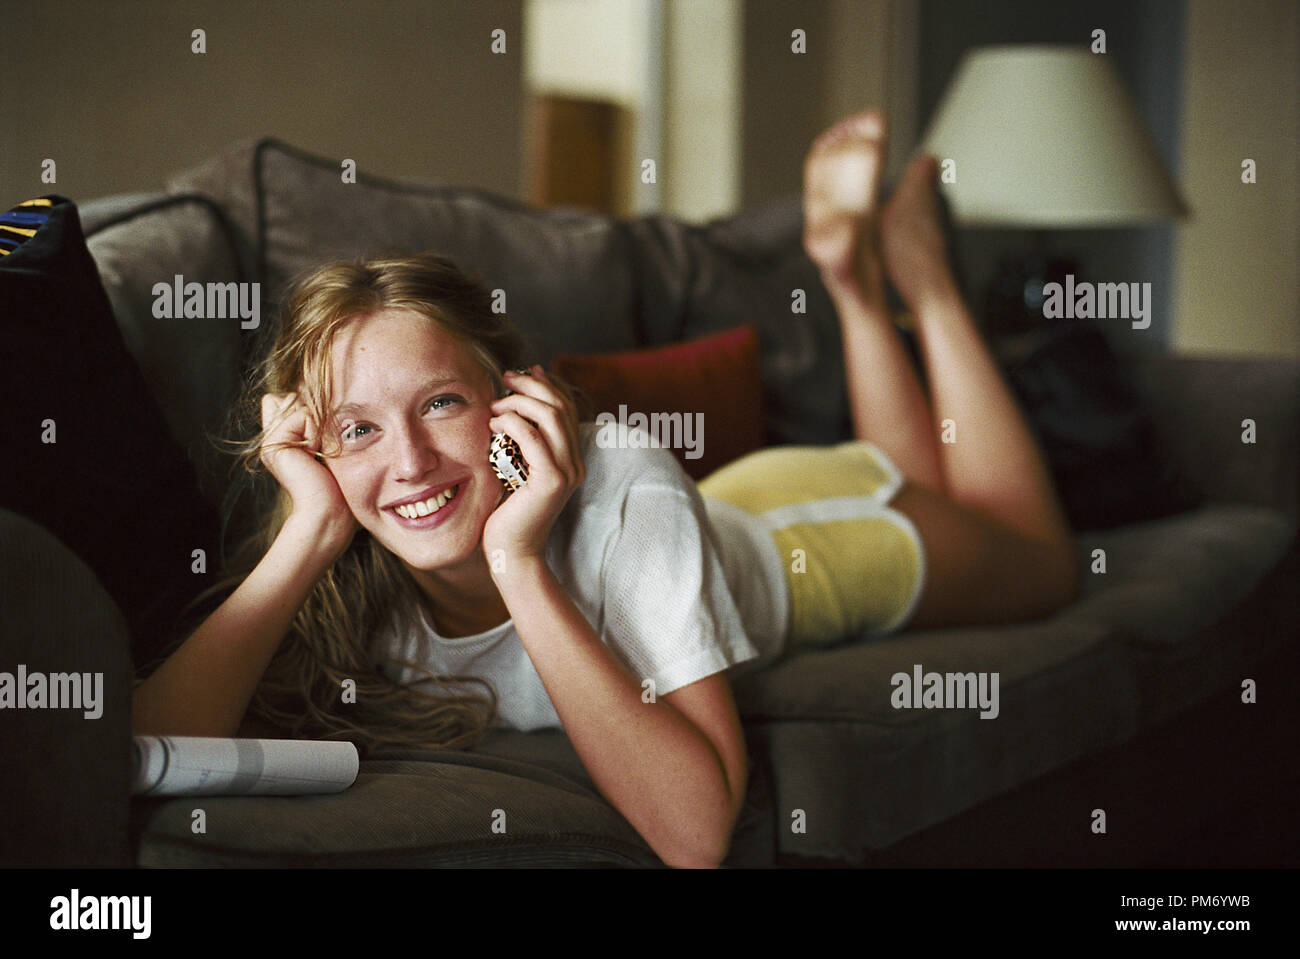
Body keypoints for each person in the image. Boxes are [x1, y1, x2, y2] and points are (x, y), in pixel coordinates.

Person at [131, 110, 1079, 869]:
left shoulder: (620, 478)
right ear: (316, 447)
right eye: (359, 430)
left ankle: (922, 278)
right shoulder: (346, 545)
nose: (410, 463)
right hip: (726, 513)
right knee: (924, 475)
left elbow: (697, 837)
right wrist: (309, 531)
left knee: (1040, 563)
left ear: (514, 400)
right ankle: (854, 281)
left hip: (817, 541)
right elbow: (139, 758)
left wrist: (518, 561)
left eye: (442, 403)